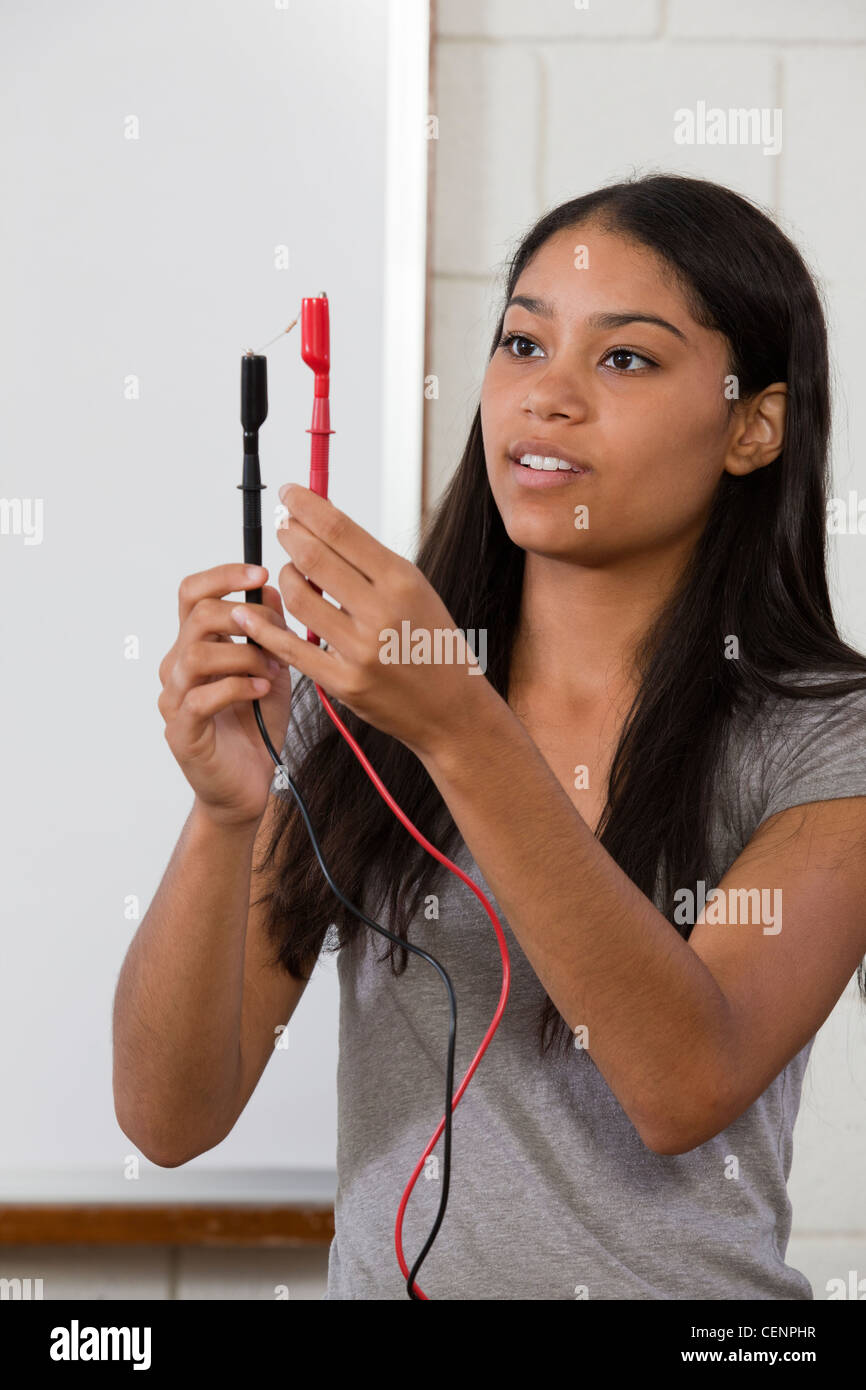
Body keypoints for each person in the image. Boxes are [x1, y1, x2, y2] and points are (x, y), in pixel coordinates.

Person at [114, 173, 866, 1300]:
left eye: (623, 359)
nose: (545, 397)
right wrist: (226, 814)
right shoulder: (362, 701)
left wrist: (460, 723)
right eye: (521, 345)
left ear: (751, 426)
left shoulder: (826, 735)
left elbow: (679, 1080)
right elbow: (168, 1119)